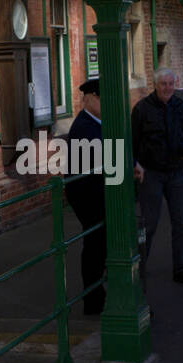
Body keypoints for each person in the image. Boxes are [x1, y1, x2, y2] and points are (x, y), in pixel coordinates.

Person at [131, 68, 183, 285]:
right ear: (155, 85)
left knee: (182, 223)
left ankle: (181, 268)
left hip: (176, 171)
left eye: (171, 84)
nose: (168, 88)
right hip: (151, 173)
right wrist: (135, 164)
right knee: (149, 224)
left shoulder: (180, 107)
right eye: (163, 84)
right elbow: (133, 139)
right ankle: (138, 269)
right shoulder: (142, 109)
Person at [64, 79, 107, 314]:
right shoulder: (84, 126)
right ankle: (93, 300)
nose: (104, 103)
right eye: (100, 98)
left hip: (97, 190)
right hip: (86, 193)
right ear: (88, 98)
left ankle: (97, 295)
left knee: (100, 243)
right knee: (95, 244)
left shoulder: (98, 121)